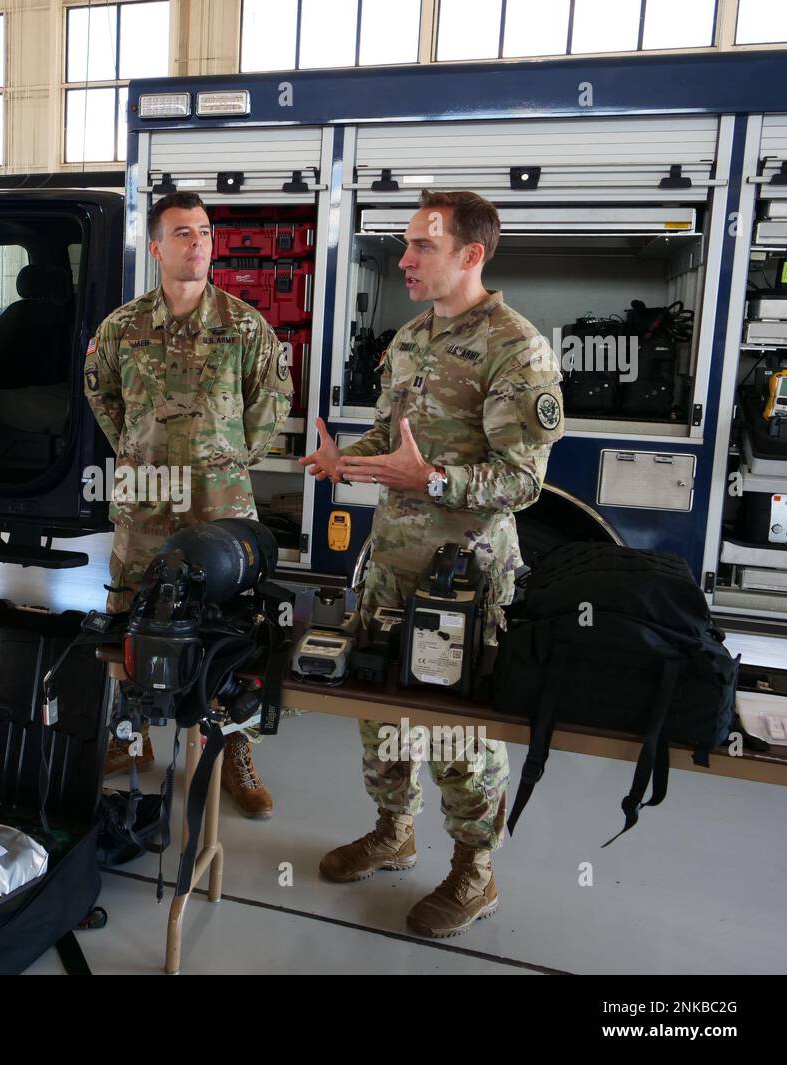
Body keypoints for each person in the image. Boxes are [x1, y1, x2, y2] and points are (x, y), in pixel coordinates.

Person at [300, 190, 564, 936]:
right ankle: (394, 831)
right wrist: (345, 463)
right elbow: (394, 445)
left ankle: (474, 871)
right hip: (391, 565)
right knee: (379, 715)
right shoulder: (410, 340)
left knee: (456, 733)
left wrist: (435, 480)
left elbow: (524, 481)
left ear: (471, 255)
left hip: (465, 581)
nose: (405, 259)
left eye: (423, 246)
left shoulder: (518, 349)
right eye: (406, 244)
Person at [85, 191, 292, 819]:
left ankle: (234, 750)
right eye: (181, 233)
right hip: (145, 502)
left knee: (233, 627)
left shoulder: (245, 325)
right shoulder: (122, 328)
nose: (197, 243)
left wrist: (224, 456)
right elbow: (104, 399)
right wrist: (143, 454)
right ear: (155, 247)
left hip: (220, 504)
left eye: (204, 232)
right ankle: (131, 736)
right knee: (130, 611)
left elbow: (271, 402)